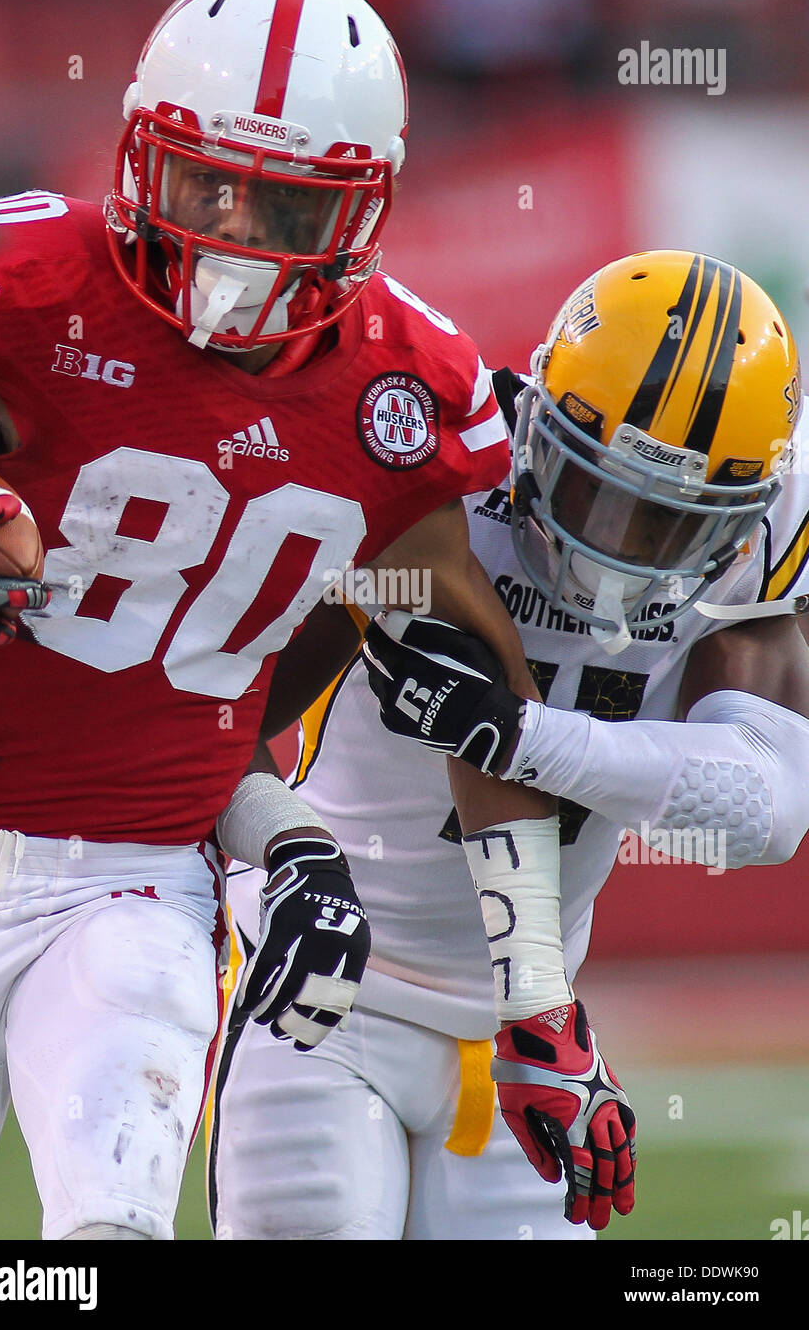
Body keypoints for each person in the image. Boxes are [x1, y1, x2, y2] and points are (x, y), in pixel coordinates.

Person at [0, 0, 582, 1241]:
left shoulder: (409, 398)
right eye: (205, 183)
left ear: (365, 208)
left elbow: (473, 699)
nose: (236, 237)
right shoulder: (9, 275)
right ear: (139, 153)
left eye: (287, 204)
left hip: (129, 882)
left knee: (105, 1235)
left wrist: (536, 991)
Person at [209, 252, 809, 1240]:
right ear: (537, 419)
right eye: (592, 488)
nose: (615, 541)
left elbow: (765, 807)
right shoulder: (439, 474)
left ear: (742, 512)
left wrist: (525, 737)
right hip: (328, 985)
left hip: (520, 1023)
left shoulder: (763, 542)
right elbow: (221, 715)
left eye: (665, 521)